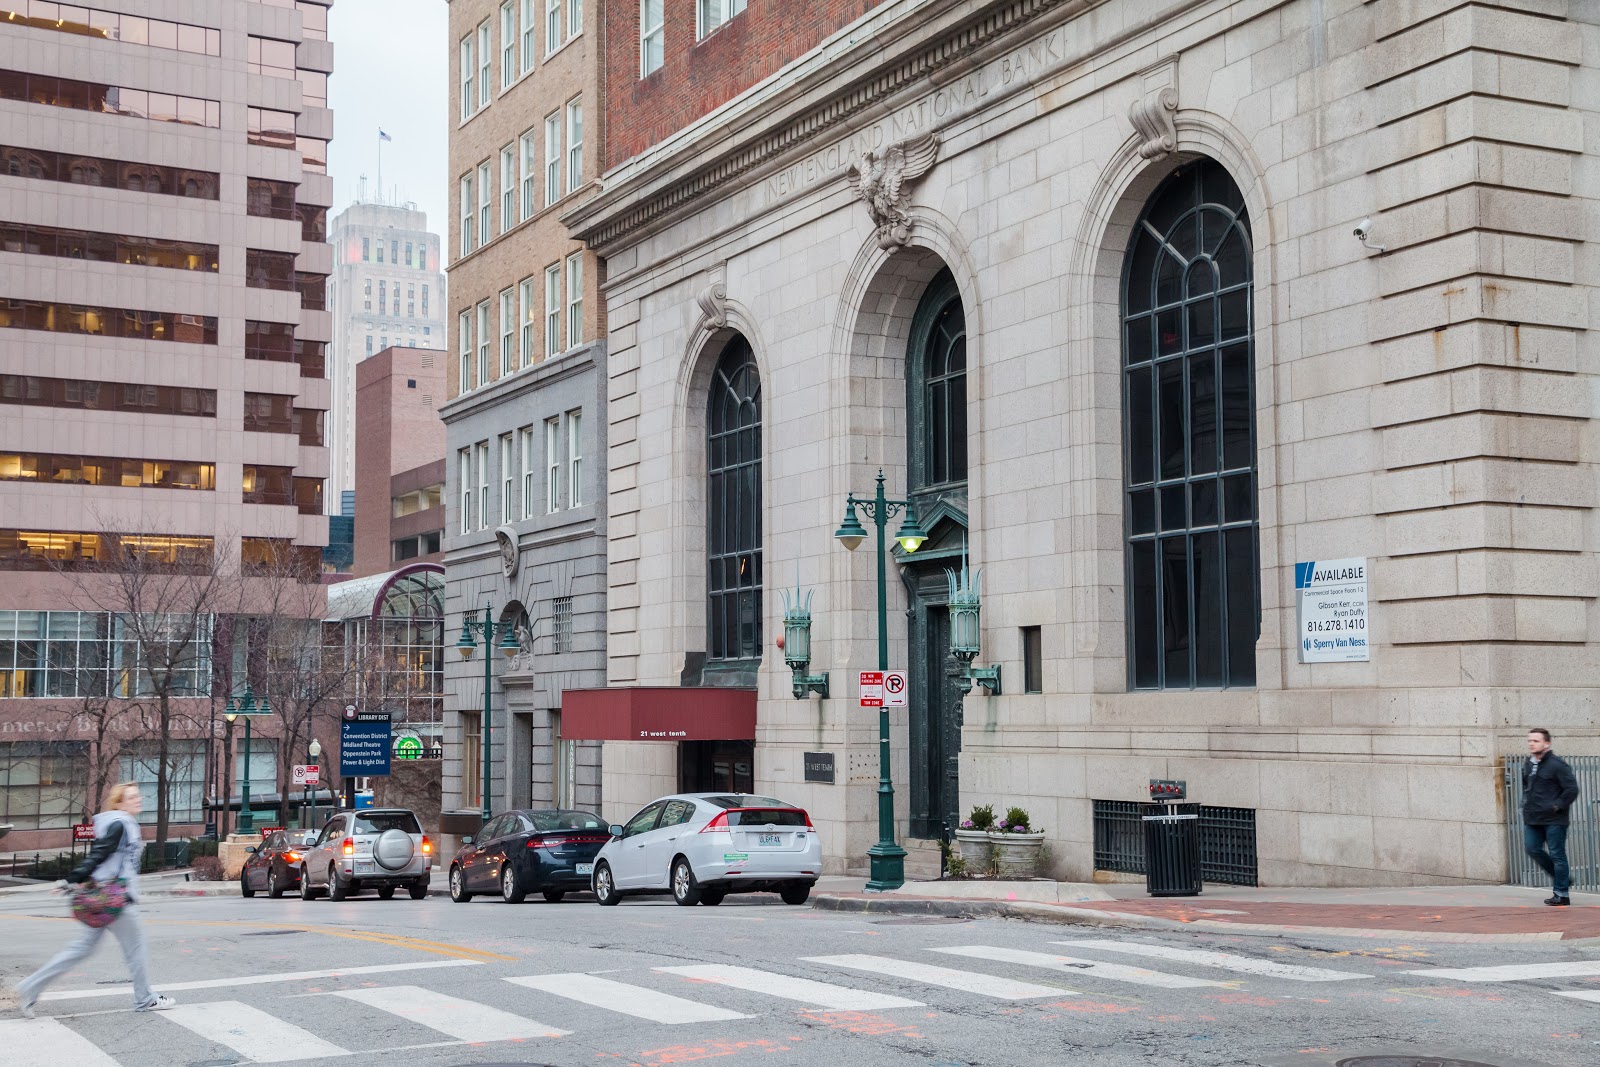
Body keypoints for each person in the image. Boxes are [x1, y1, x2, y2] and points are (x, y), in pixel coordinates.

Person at [15, 782, 177, 1017]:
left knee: (80, 949)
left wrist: (76, 880)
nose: (138, 800)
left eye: (138, 796)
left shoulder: (119, 823)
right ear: (119, 803)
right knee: (136, 949)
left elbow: (102, 856)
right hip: (115, 900)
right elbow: (100, 853)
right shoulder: (121, 824)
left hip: (102, 898)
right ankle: (145, 999)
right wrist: (72, 878)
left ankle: (30, 987)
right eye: (132, 797)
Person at [1523, 728, 1581, 906]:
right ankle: (1562, 878)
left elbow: (1572, 789)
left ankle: (1561, 893)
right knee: (1532, 848)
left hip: (1555, 819)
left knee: (1557, 855)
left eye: (1536, 741)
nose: (1532, 743)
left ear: (1546, 743)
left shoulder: (1557, 765)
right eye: (1530, 741)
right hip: (1533, 818)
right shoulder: (1528, 764)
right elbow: (1527, 787)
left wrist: (1557, 806)